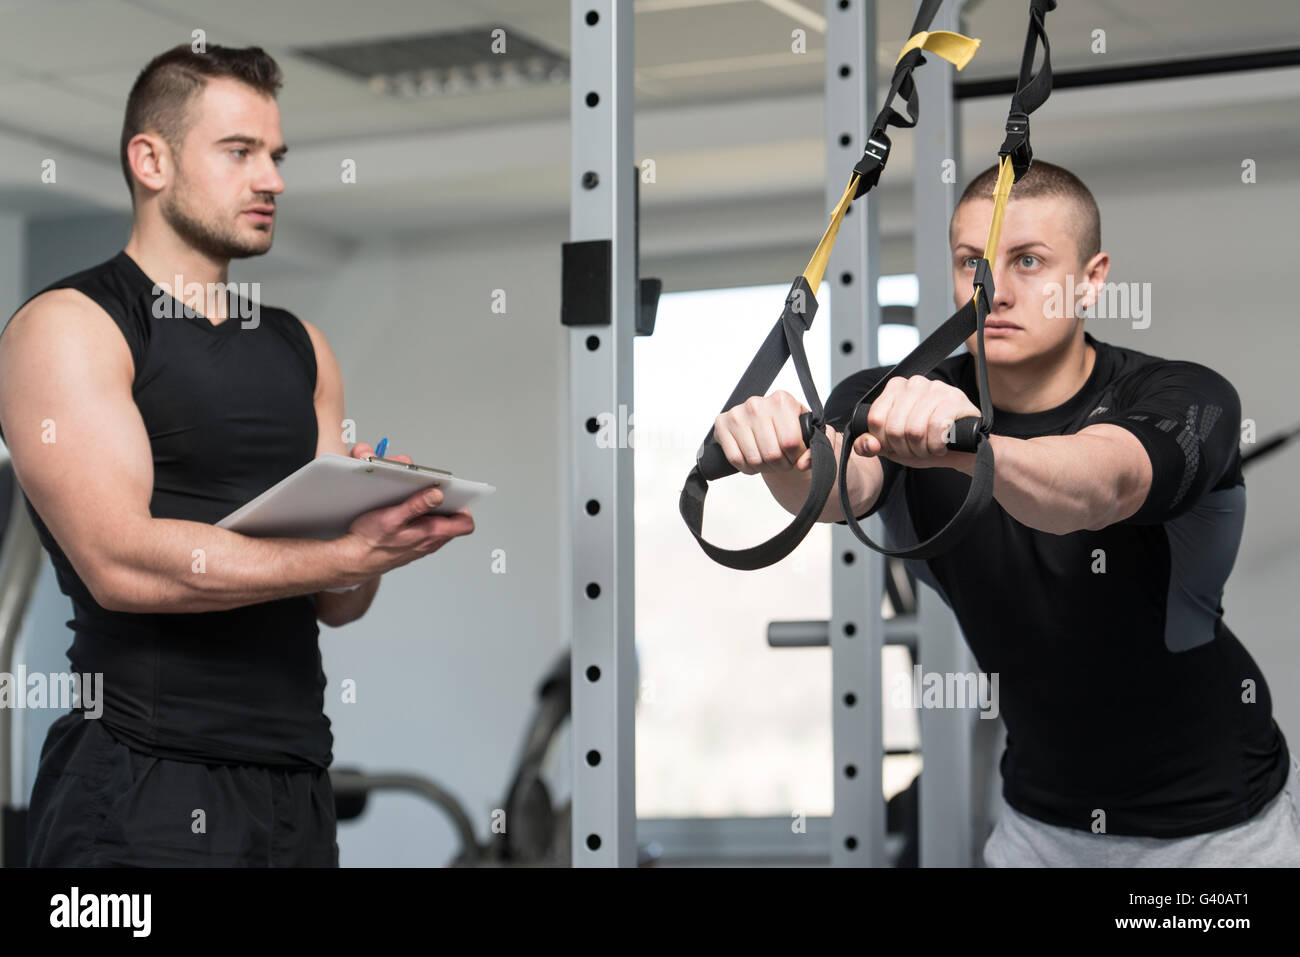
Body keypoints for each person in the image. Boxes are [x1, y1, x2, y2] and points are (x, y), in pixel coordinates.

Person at [713, 160, 1299, 866]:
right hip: (1038, 821)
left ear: (1091, 278)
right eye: (973, 263)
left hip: (1219, 828)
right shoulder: (898, 397)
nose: (994, 291)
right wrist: (784, 452)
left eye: (1029, 261)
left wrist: (969, 445)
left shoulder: (1184, 398)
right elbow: (842, 482)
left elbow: (1097, 486)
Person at [0, 44, 475, 866]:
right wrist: (338, 549)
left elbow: (336, 601)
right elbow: (121, 562)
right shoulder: (73, 325)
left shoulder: (303, 349)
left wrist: (375, 540)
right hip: (137, 781)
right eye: (239, 152)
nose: (273, 180)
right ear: (150, 159)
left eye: (277, 156)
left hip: (293, 781)